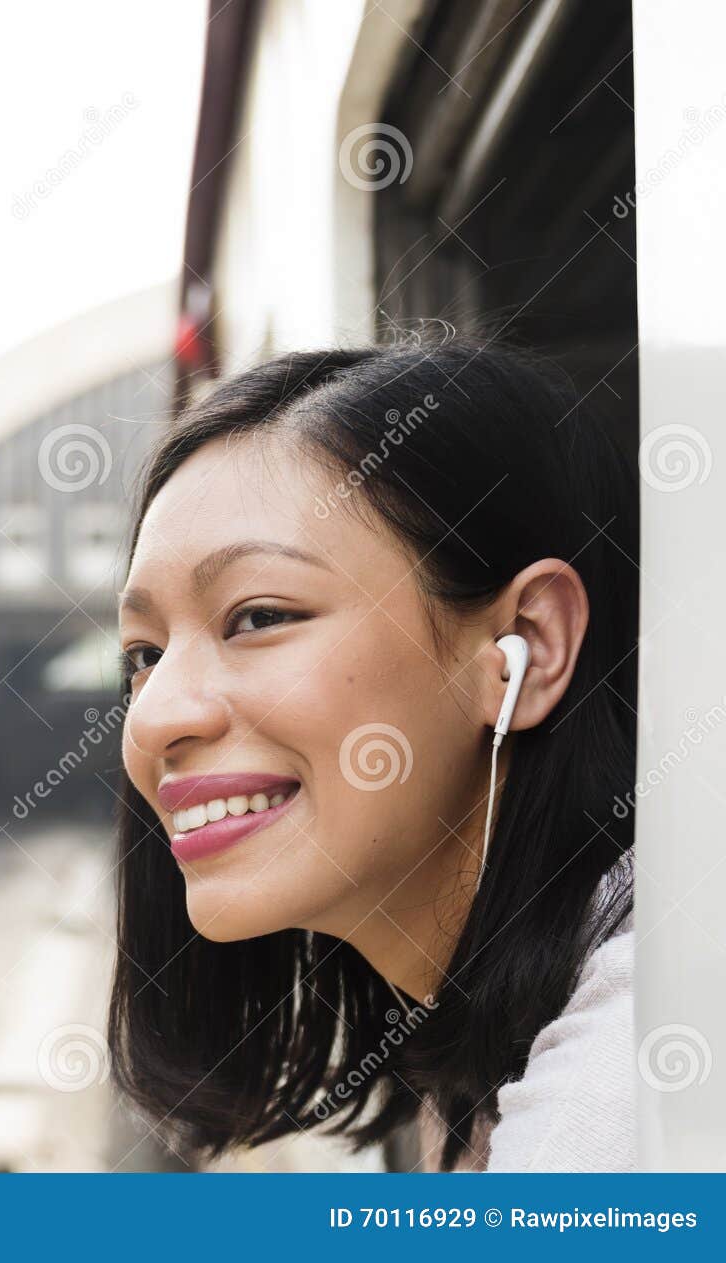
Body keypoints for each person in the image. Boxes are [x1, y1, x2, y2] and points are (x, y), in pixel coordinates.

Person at [107, 336, 637, 1172]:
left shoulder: (630, 1081)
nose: (154, 716)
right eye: (144, 655)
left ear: (524, 646)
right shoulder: (484, 1056)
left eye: (258, 616)